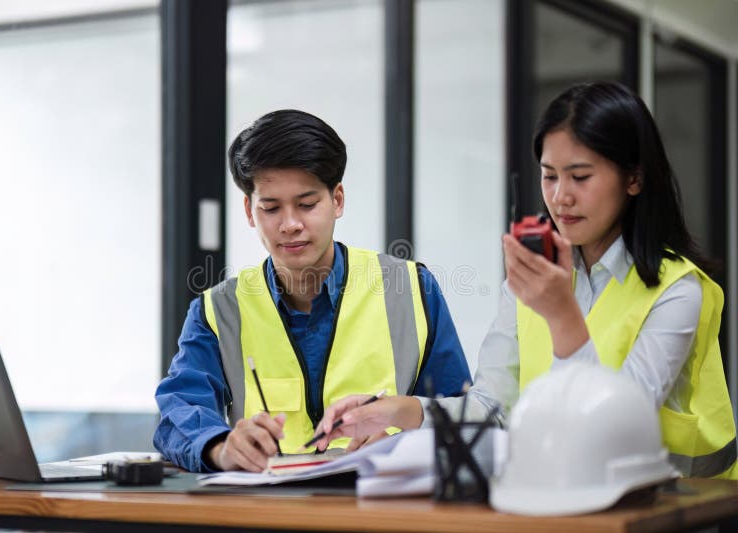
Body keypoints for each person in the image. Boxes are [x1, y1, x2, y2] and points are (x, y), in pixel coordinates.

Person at [313, 82, 738, 479]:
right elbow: (492, 407)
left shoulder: (679, 290)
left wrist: (561, 315)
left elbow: (617, 429)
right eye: (550, 175)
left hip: (671, 510)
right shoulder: (532, 281)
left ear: (634, 178)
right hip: (561, 500)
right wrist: (397, 411)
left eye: (581, 177)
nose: (560, 197)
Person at [153, 109, 470, 472]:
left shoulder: (413, 290)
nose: (290, 224)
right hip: (265, 516)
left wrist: (407, 440)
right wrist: (219, 446)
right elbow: (177, 413)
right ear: (249, 210)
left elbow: (462, 415)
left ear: (337, 200)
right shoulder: (218, 311)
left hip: (381, 510)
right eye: (271, 208)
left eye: (307, 205)